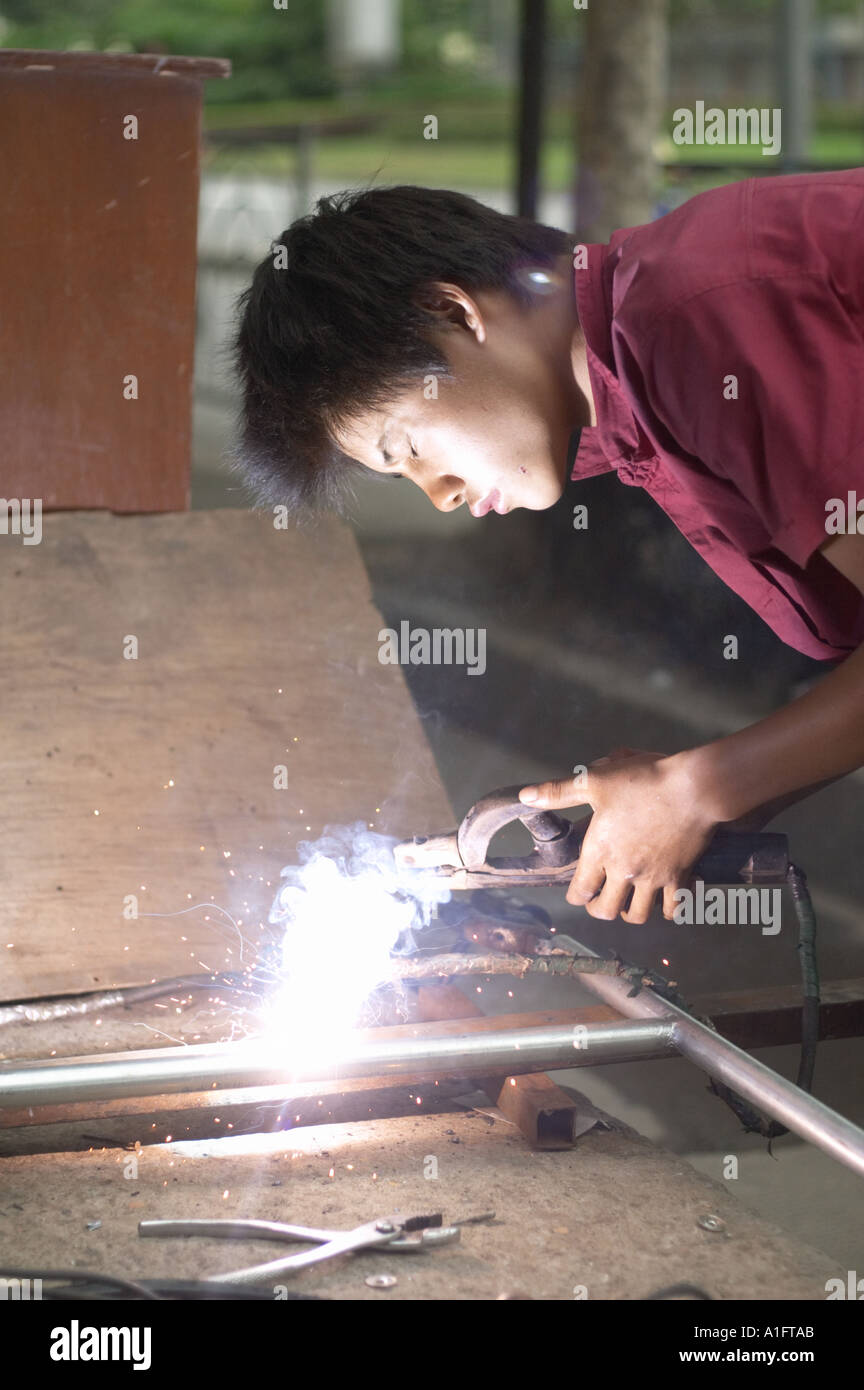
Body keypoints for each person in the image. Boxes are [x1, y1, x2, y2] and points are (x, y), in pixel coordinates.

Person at [233, 175, 864, 923]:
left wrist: (702, 789)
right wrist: (692, 795)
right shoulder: (633, 392)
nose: (441, 494)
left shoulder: (692, 321)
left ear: (451, 312)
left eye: (407, 446)